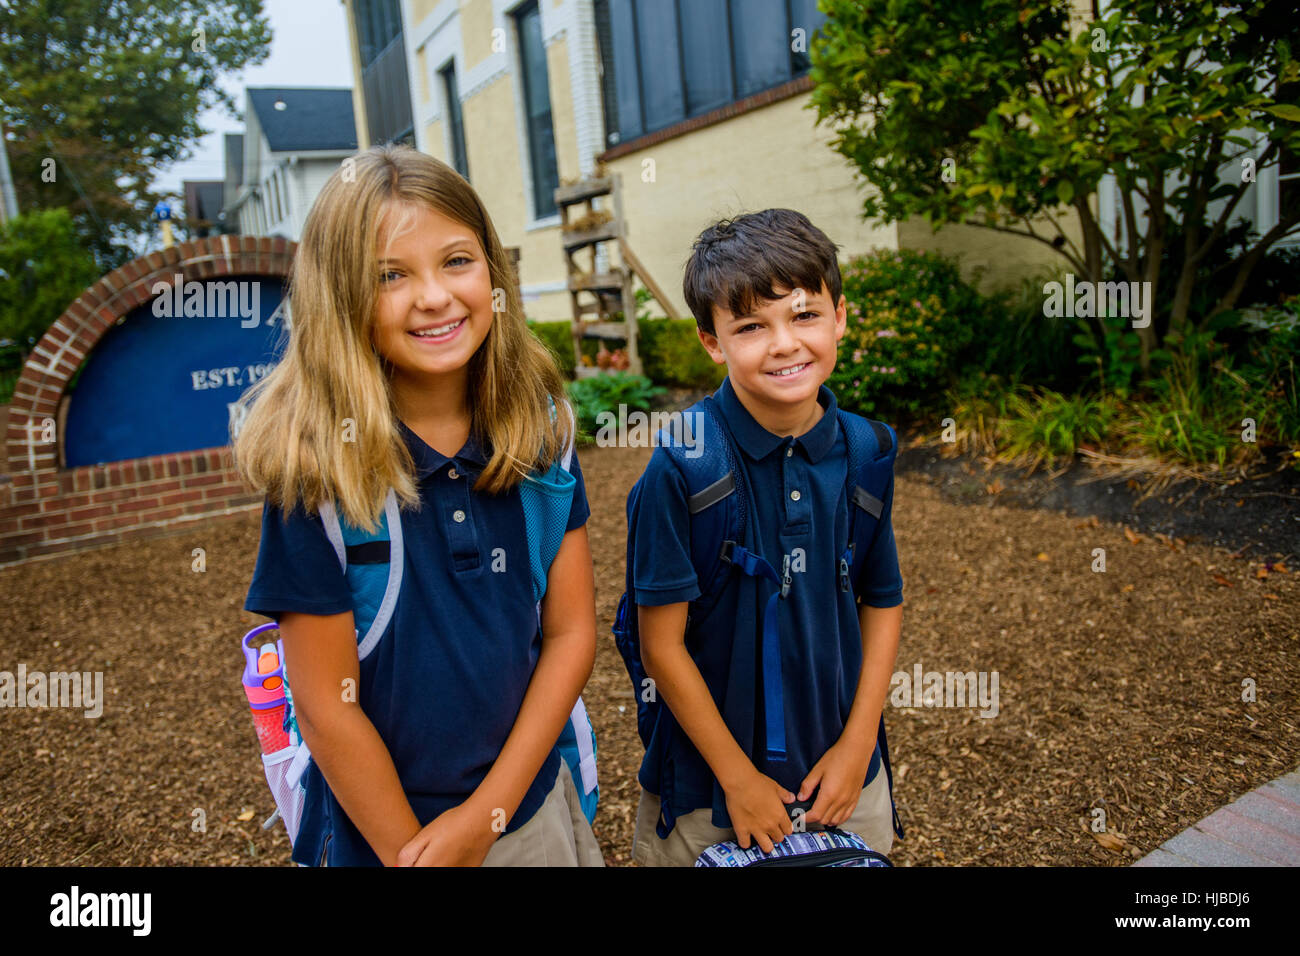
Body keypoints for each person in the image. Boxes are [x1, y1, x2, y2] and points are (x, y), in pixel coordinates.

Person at [234, 144, 602, 867]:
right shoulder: (317, 472)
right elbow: (326, 706)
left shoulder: (543, 427)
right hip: (386, 839)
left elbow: (568, 636)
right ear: (340, 297)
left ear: (493, 273)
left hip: (529, 811)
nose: (433, 297)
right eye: (389, 276)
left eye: (457, 261)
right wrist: (419, 852)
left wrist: (488, 816)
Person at [628, 208, 904, 866]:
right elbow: (659, 646)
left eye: (805, 315)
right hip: (711, 798)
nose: (784, 344)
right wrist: (738, 779)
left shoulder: (868, 449)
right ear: (712, 342)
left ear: (840, 316)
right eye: (751, 326)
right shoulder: (680, 466)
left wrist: (858, 745)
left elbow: (883, 601)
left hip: (846, 780)